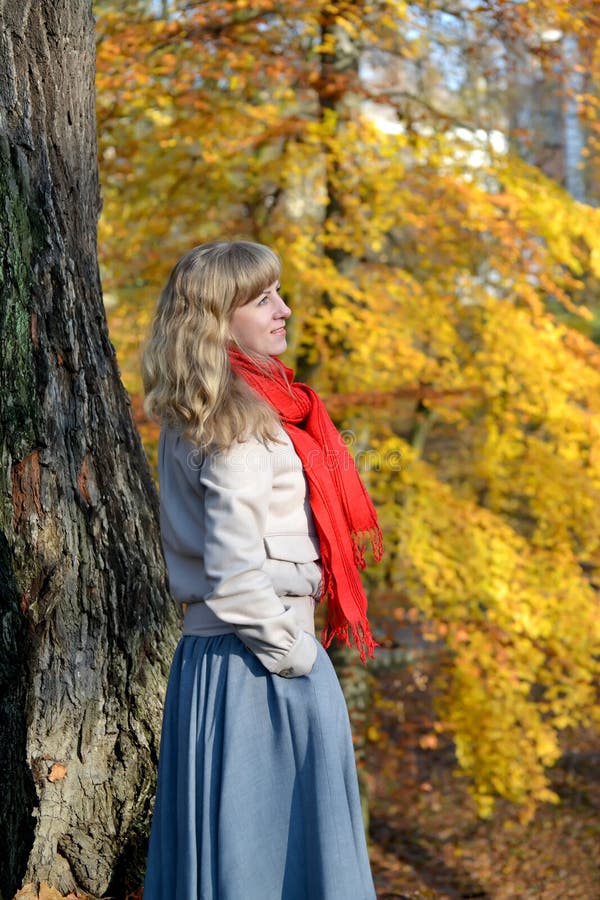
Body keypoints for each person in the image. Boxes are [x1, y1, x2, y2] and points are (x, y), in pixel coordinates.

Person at [141, 240, 383, 900]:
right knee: (268, 863)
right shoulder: (240, 420)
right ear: (217, 320)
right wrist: (295, 653)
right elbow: (233, 569)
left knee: (251, 857)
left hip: (226, 663)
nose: (285, 309)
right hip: (260, 668)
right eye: (262, 299)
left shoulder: (215, 408)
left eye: (277, 293)